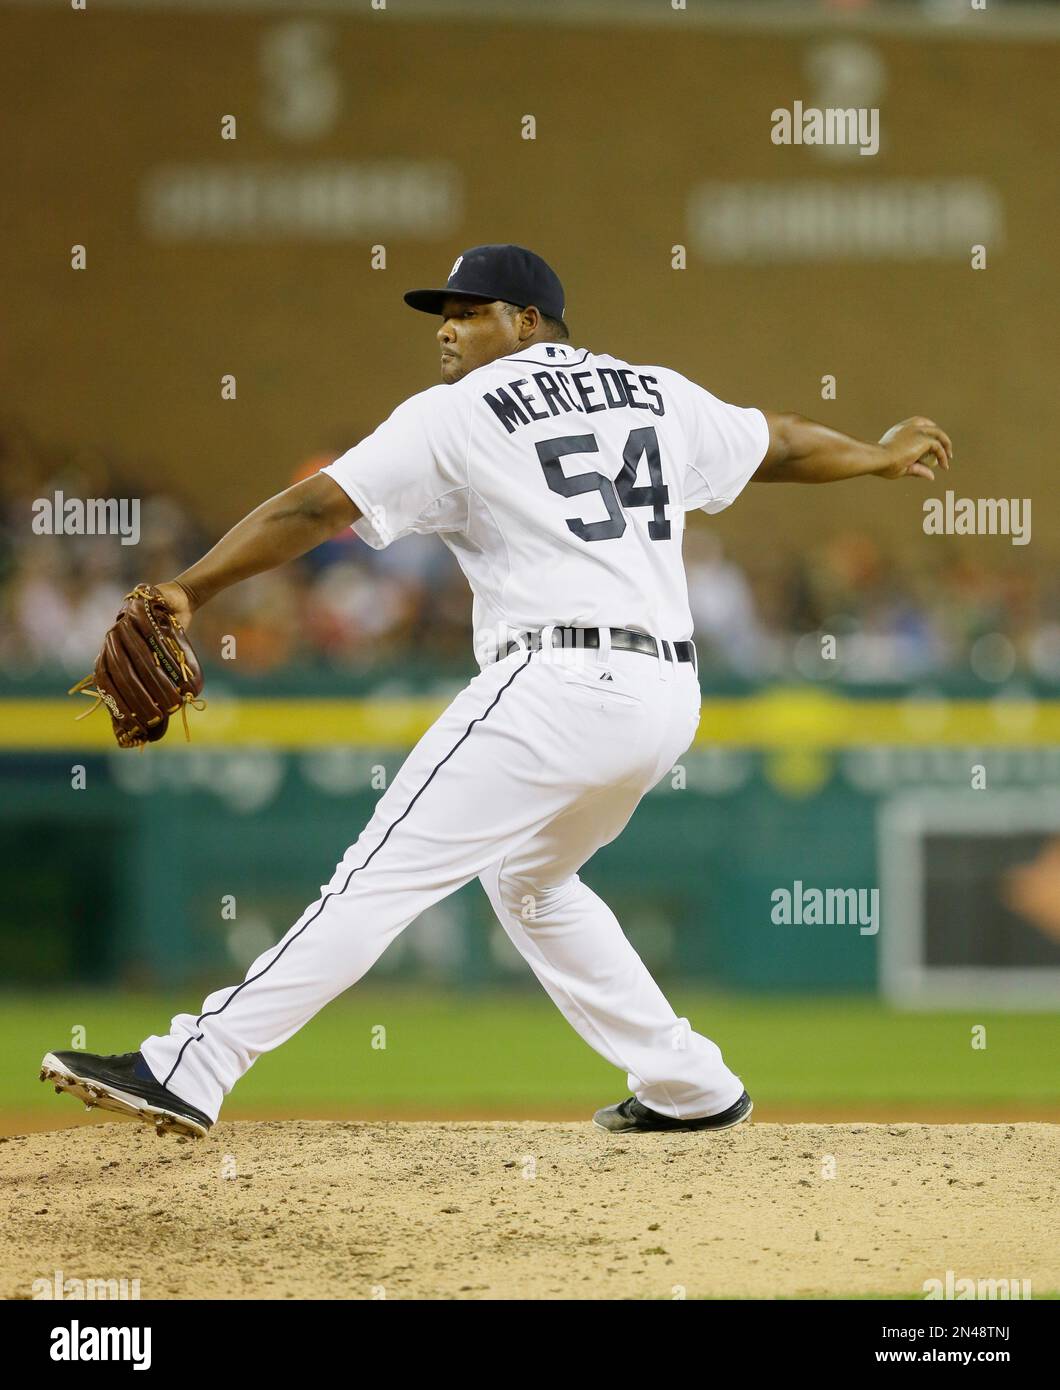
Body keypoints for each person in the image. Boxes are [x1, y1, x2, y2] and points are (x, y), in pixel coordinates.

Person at [41, 244, 952, 1137]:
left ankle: (187, 1066)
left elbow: (315, 508)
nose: (448, 332)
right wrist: (874, 455)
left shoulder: (461, 411)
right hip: (666, 696)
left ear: (527, 322)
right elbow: (780, 442)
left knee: (373, 878)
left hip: (555, 683)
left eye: (468, 314)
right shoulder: (654, 390)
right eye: (444, 317)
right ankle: (690, 1085)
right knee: (531, 880)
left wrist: (189, 588)